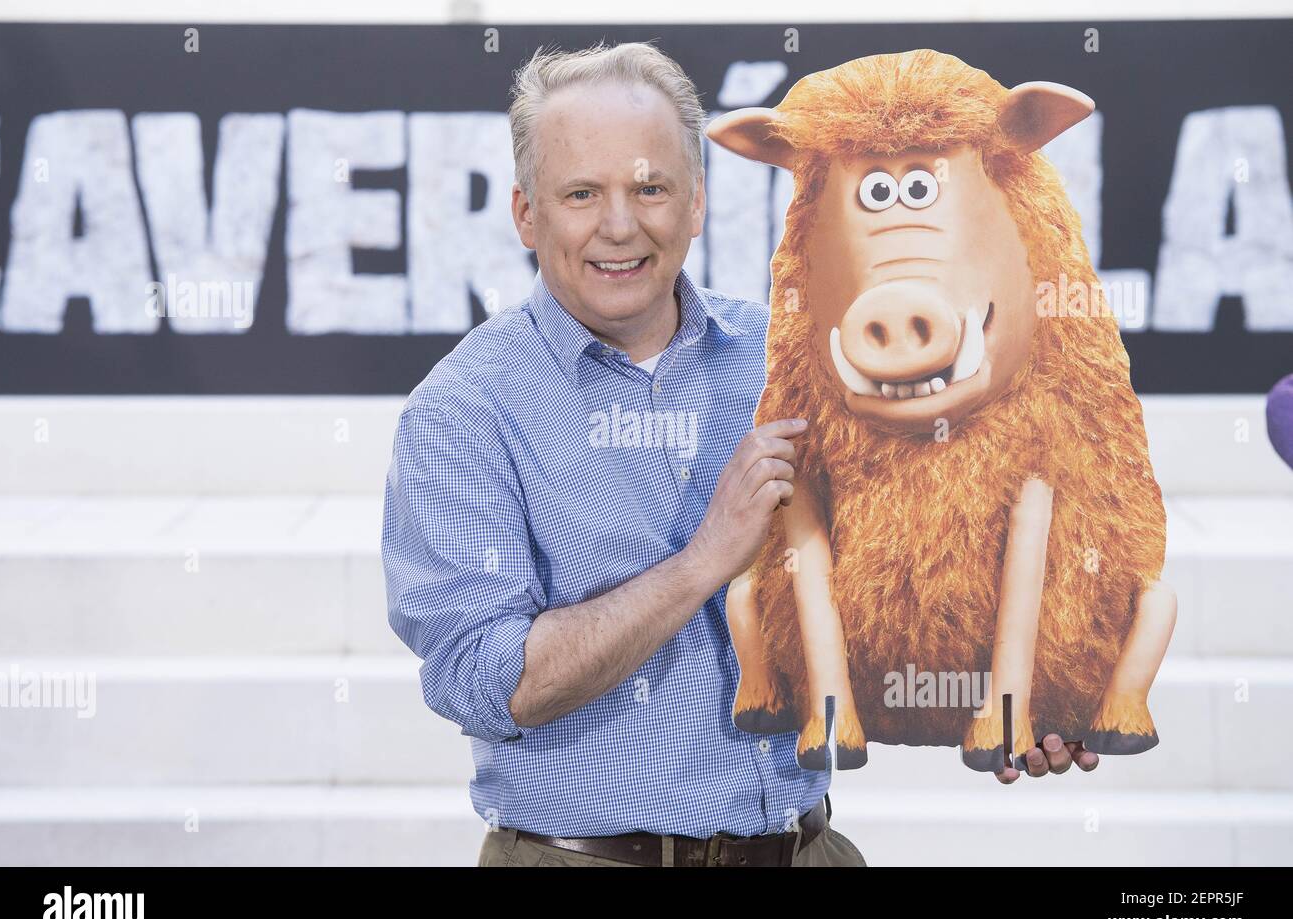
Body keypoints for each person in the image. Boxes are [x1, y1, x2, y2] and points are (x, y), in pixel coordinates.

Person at [381, 40, 1090, 869]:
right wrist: (702, 561)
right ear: (527, 214)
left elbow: (896, 580)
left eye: (650, 188)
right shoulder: (462, 413)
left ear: (697, 203)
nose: (621, 224)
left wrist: (1018, 685)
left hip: (806, 847)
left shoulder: (788, 357)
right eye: (582, 193)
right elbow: (487, 681)